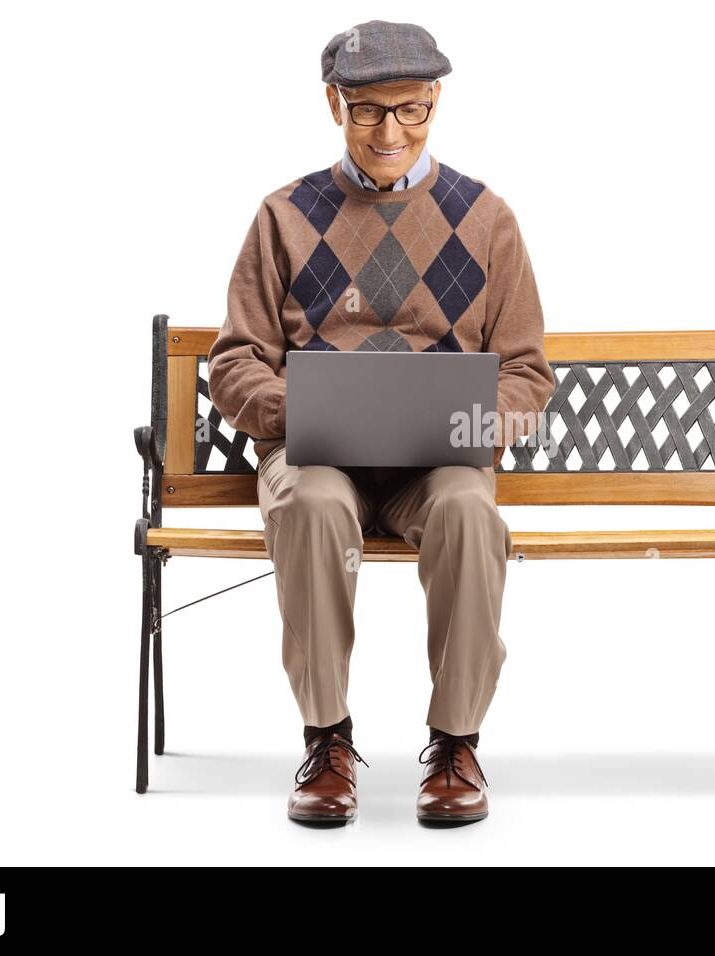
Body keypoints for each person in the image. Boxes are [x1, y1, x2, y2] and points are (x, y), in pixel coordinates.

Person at [206, 19, 555, 825]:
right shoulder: (284, 215)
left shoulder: (487, 218)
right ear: (335, 105)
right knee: (312, 503)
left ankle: (456, 743)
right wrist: (307, 412)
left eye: (410, 109)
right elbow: (235, 362)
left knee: (469, 512)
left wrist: (470, 422)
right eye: (367, 110)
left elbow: (527, 373)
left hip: (437, 462)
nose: (389, 131)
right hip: (318, 454)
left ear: (435, 101)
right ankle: (326, 740)